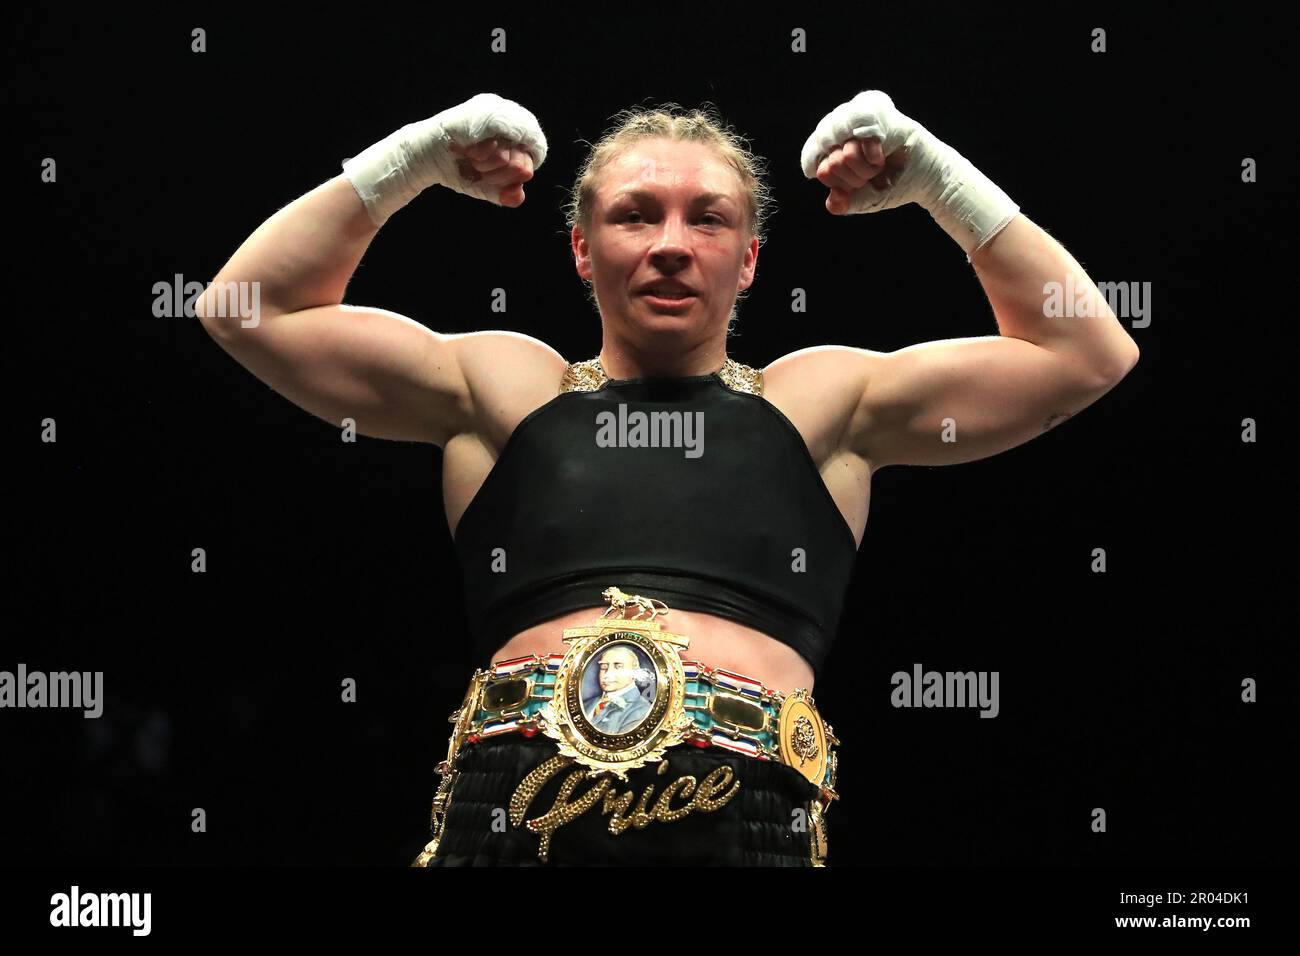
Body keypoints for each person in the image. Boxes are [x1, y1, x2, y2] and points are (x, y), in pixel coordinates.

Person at [194, 90, 1140, 866]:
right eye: (635, 214)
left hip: (747, 813)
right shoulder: (501, 389)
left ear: (751, 260)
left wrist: (939, 179)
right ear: (580, 248)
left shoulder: (821, 405)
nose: (672, 243)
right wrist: (414, 157)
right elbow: (245, 309)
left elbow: (1087, 353)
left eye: (708, 218)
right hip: (515, 809)